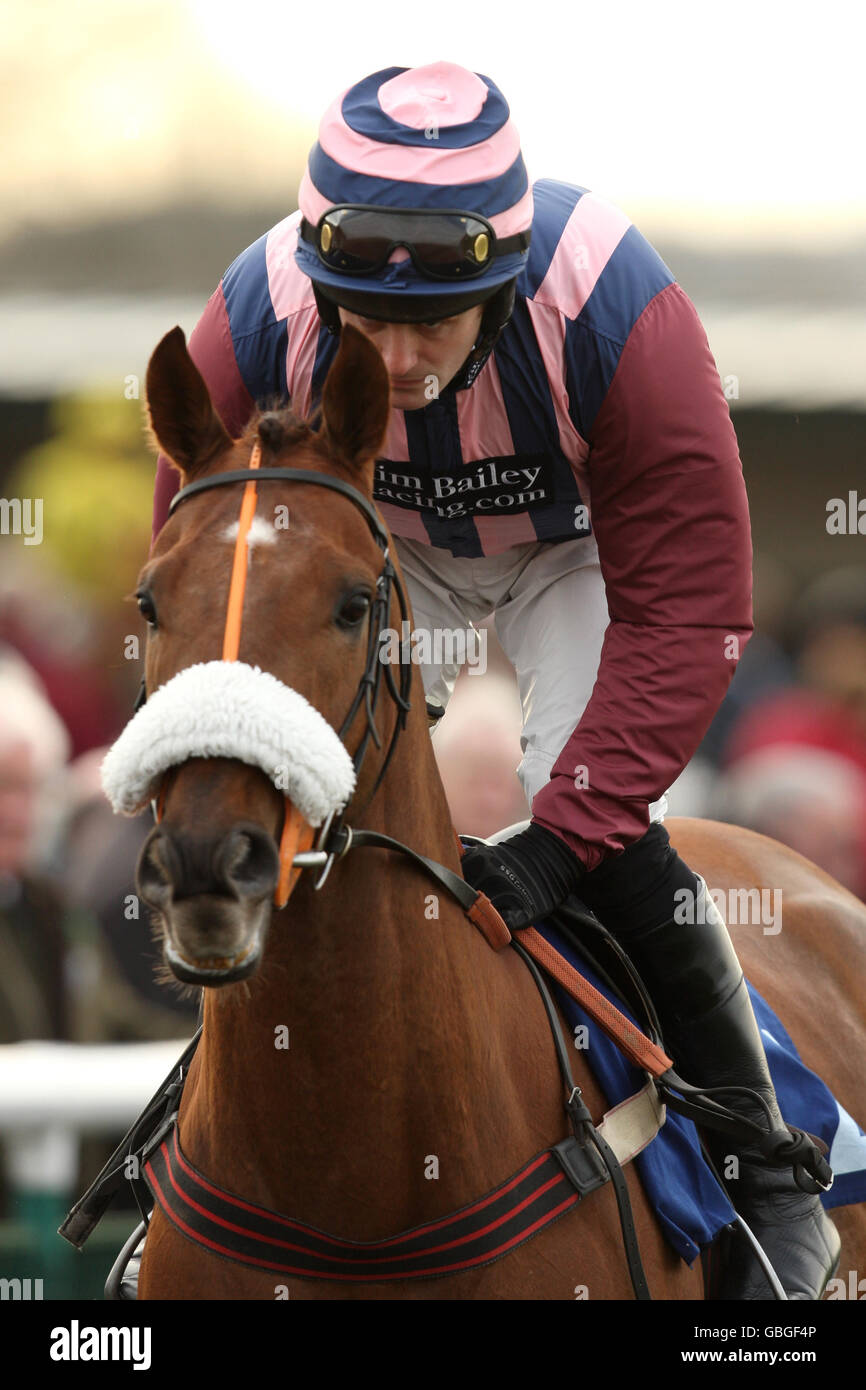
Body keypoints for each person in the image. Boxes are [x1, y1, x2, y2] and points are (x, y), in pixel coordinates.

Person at [149, 61, 839, 1298]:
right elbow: (194, 568)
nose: (400, 359)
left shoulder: (621, 313)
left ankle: (767, 1169)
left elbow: (691, 610)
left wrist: (566, 831)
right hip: (376, 553)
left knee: (599, 825)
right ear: (316, 282)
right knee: (289, 813)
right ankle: (190, 1155)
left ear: (507, 282)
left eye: (435, 321)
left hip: (572, 551)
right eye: (366, 321)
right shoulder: (251, 318)